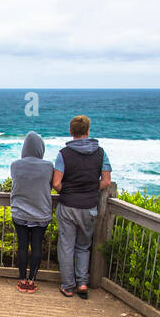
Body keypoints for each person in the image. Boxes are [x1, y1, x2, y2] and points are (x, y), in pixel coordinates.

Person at [51, 115, 112, 300]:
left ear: (71, 131)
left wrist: (70, 190)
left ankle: (68, 286)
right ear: (88, 131)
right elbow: (106, 181)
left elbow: (56, 183)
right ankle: (83, 283)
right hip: (90, 207)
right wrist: (91, 189)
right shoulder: (101, 153)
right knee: (83, 247)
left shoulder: (64, 154)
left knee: (66, 246)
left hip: (68, 205)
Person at [9, 131, 54, 293]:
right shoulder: (48, 166)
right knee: (36, 247)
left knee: (22, 246)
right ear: (40, 148)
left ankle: (22, 279)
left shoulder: (15, 165)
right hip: (41, 212)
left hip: (19, 212)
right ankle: (32, 281)